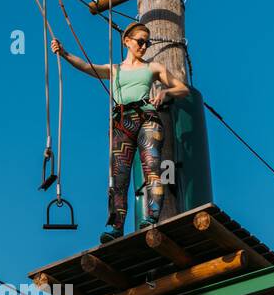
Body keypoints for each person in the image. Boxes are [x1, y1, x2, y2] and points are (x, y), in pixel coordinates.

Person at [51, 22, 191, 244]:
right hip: (122, 123)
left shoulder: (153, 68)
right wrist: (64, 53)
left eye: (148, 42)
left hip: (147, 119)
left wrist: (165, 92)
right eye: (140, 41)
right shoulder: (114, 69)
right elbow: (88, 67)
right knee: (119, 177)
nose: (144, 46)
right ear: (127, 41)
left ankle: (152, 216)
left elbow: (182, 88)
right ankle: (116, 226)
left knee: (152, 167)